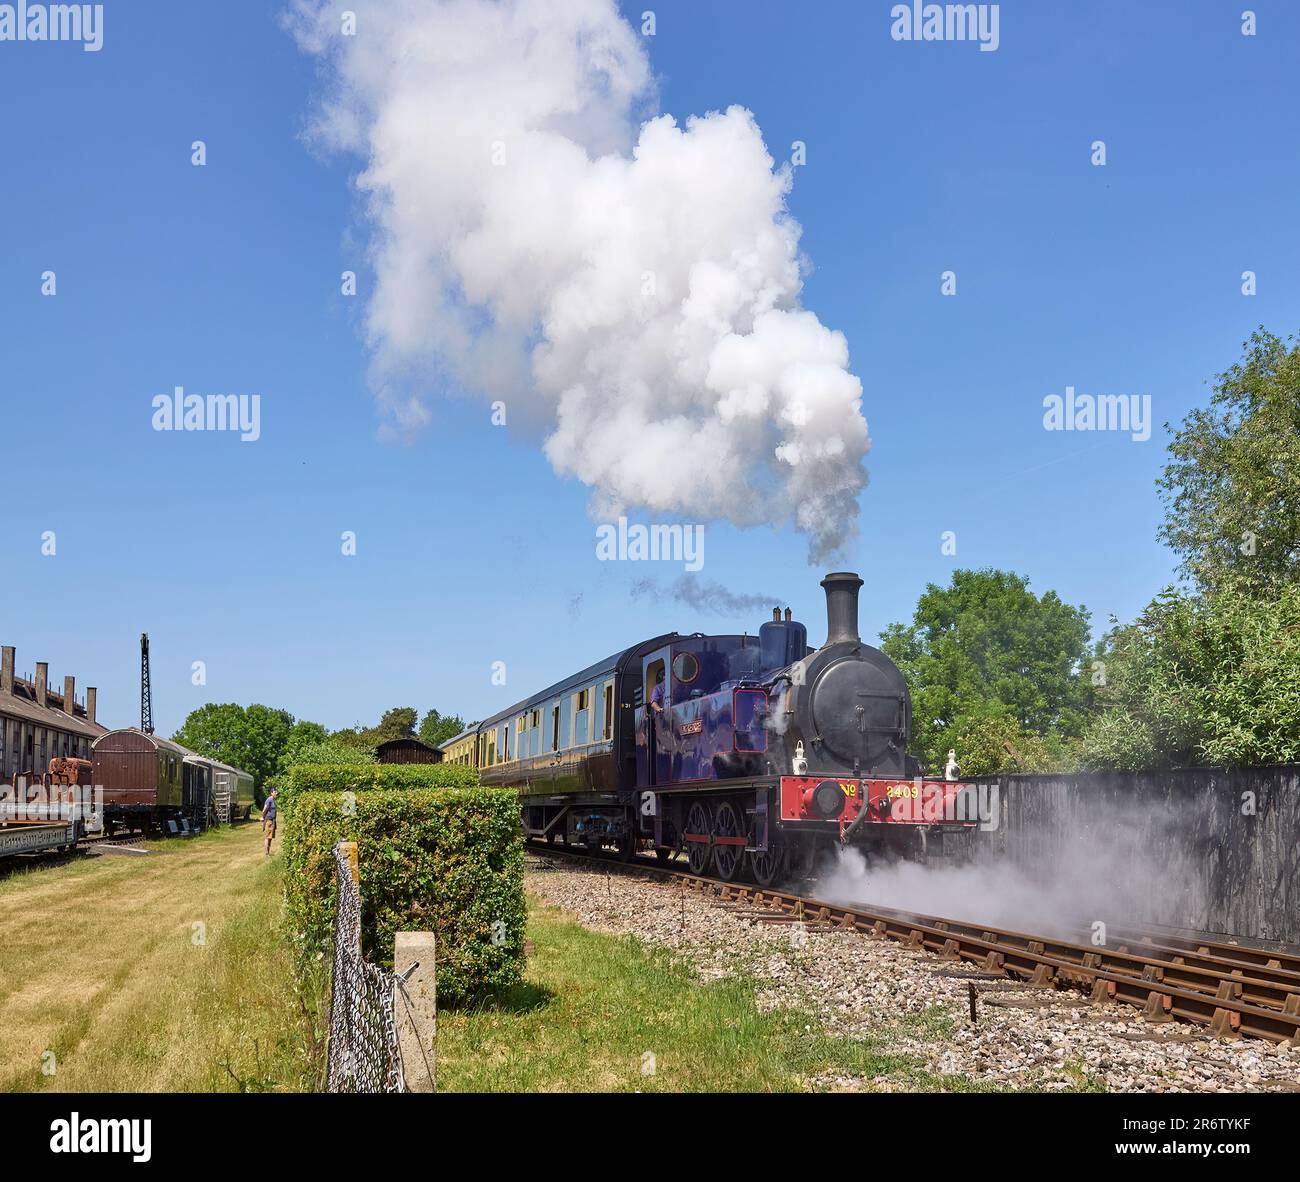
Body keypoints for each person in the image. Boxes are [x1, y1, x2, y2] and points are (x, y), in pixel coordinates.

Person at [261, 786, 278, 856]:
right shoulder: (269, 800)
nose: (277, 793)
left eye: (277, 792)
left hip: (273, 821)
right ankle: (266, 853)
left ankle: (268, 852)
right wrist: (263, 818)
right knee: (267, 837)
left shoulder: (273, 800)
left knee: (270, 837)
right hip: (269, 821)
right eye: (275, 792)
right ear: (271, 793)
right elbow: (264, 810)